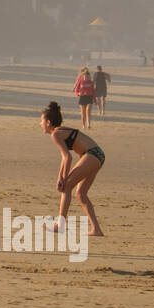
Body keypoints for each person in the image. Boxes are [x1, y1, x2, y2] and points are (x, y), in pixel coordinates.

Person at [41, 100, 104, 237]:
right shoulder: (60, 131)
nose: (40, 124)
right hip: (97, 155)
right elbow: (64, 158)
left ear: (48, 123)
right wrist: (60, 176)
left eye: (42, 121)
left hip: (91, 154)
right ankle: (96, 230)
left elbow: (67, 158)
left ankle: (60, 225)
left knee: (67, 187)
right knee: (80, 194)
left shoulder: (55, 134)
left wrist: (63, 179)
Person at [73, 66, 95, 130]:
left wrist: (95, 99)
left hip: (89, 97)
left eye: (88, 76)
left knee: (88, 111)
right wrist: (78, 94)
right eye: (86, 76)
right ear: (83, 76)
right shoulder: (80, 80)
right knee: (83, 112)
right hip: (82, 97)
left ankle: (88, 125)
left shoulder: (91, 82)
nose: (87, 77)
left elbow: (93, 91)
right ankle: (83, 125)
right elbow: (76, 90)